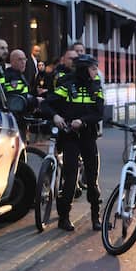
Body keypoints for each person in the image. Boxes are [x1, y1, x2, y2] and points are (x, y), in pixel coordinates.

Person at [41, 54, 104, 231]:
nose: (95, 71)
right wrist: (55, 116)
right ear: (84, 69)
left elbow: (99, 113)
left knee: (92, 178)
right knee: (70, 177)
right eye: (93, 68)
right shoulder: (67, 85)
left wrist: (83, 121)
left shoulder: (96, 87)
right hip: (70, 137)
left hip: (88, 136)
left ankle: (95, 217)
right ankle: (64, 218)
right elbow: (47, 104)